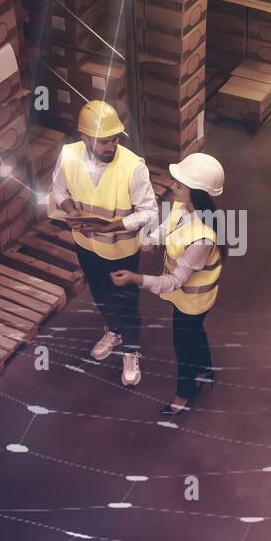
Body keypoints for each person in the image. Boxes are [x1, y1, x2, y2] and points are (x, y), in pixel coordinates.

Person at [50, 100, 157, 386]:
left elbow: (150, 211)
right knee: (100, 294)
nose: (111, 146)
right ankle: (113, 331)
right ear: (85, 138)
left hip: (121, 251)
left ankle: (131, 352)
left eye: (115, 139)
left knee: (126, 302)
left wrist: (117, 225)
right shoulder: (68, 156)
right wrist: (71, 209)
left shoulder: (134, 167)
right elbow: (58, 189)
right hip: (86, 246)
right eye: (104, 141)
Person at [110, 153, 224, 416]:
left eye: (180, 184)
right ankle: (205, 367)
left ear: (196, 192)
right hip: (185, 298)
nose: (173, 186)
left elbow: (174, 281)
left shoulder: (202, 238)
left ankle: (184, 394)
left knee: (183, 346)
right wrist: (152, 238)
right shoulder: (183, 205)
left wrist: (136, 279)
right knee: (195, 333)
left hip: (192, 302)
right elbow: (168, 226)